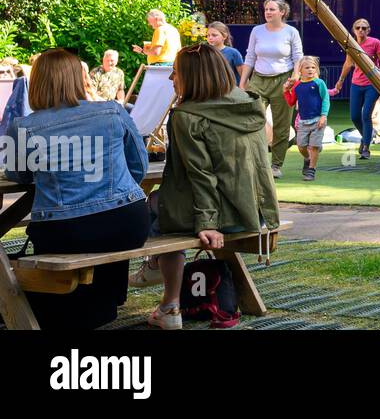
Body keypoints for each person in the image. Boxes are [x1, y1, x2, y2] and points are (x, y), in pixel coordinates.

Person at [4, 48, 149, 329]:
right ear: (79, 78)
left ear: (37, 83)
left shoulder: (23, 126)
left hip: (65, 230)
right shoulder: (112, 111)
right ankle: (106, 303)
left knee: (77, 233)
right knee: (107, 224)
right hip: (129, 224)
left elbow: (17, 174)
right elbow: (139, 167)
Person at [145, 43, 280, 330]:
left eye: (176, 73)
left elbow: (200, 175)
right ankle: (155, 268)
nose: (171, 79)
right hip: (253, 214)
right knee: (160, 202)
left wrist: (207, 223)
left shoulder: (187, 116)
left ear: (193, 76)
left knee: (149, 209)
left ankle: (166, 296)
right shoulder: (247, 103)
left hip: (222, 221)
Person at [238, 0, 303, 178]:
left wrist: (294, 78)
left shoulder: (291, 32)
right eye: (266, 9)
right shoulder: (257, 31)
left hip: (284, 80)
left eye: (272, 9)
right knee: (252, 120)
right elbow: (250, 56)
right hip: (258, 80)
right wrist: (243, 81)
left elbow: (298, 57)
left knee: (281, 126)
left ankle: (275, 165)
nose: (268, 12)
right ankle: (253, 162)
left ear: (282, 12)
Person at [331, 18, 380, 162]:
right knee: (354, 116)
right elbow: (348, 63)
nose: (361, 30)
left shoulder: (375, 42)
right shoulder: (351, 43)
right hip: (356, 83)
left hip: (373, 83)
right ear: (354, 29)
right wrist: (340, 81)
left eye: (364, 28)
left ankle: (366, 148)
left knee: (366, 115)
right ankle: (366, 137)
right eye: (358, 28)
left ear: (368, 30)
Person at [292, 56, 330, 182]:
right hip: (303, 121)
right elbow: (291, 102)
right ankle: (307, 158)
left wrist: (323, 115)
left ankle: (311, 169)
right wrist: (286, 90)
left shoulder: (319, 83)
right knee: (301, 145)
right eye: (307, 67)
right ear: (300, 70)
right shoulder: (297, 86)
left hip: (318, 120)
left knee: (314, 146)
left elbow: (325, 99)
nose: (310, 70)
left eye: (313, 67)